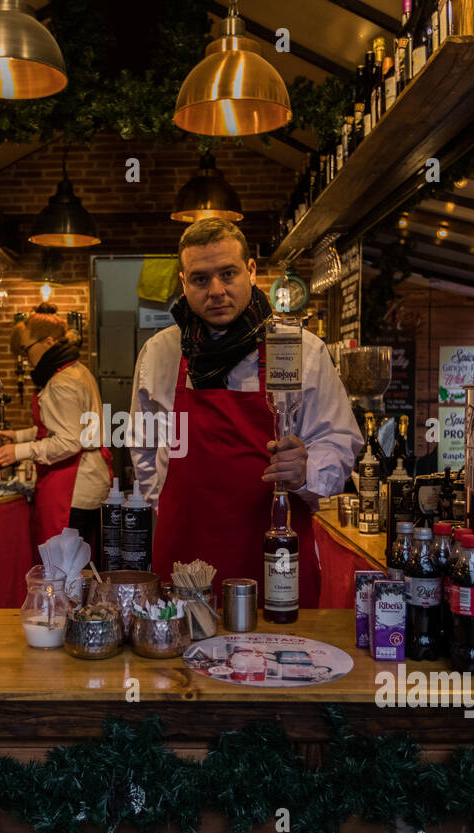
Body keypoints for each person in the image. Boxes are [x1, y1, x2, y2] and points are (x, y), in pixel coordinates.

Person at [130, 218, 361, 605]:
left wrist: (307, 471)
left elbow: (339, 440)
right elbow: (144, 447)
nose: (216, 290)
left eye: (228, 273)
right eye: (201, 280)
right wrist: (168, 505)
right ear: (183, 283)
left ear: (251, 271)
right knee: (179, 661)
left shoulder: (300, 348)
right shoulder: (160, 353)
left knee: (282, 656)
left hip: (275, 548)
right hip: (185, 552)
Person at [0, 304, 112, 552]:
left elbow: (69, 441)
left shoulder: (61, 383)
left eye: (26, 350)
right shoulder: (76, 371)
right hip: (90, 480)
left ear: (48, 342)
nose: (25, 359)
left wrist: (18, 451)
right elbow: (61, 428)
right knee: (82, 566)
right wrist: (18, 436)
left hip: (74, 489)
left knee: (67, 569)